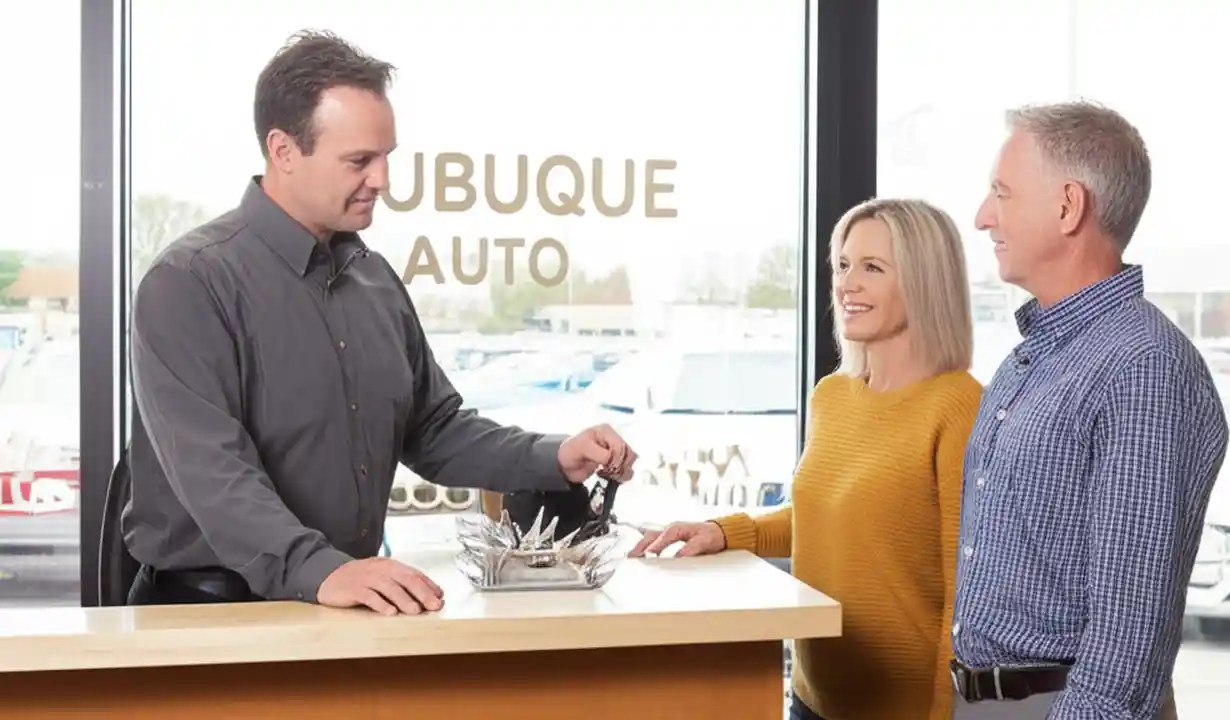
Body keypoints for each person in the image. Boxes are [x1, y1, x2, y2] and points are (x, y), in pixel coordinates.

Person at [124, 30, 637, 614]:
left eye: (386, 157)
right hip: (210, 618)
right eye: (359, 161)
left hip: (343, 601)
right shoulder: (189, 282)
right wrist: (321, 570)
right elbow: (215, 476)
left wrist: (553, 456)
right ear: (284, 150)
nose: (383, 181)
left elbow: (434, 429)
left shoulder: (376, 281)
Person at [629, 198, 982, 720]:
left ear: (926, 281)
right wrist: (723, 531)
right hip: (812, 698)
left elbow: (967, 590)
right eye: (842, 265)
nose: (847, 284)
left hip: (903, 710)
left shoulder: (960, 404)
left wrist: (944, 712)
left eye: (872, 268)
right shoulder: (832, 397)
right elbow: (823, 520)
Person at [948, 101, 1228, 719]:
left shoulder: (1142, 367)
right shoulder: (1035, 356)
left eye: (1002, 192)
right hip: (989, 702)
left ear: (1068, 206)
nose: (982, 216)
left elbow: (1129, 637)